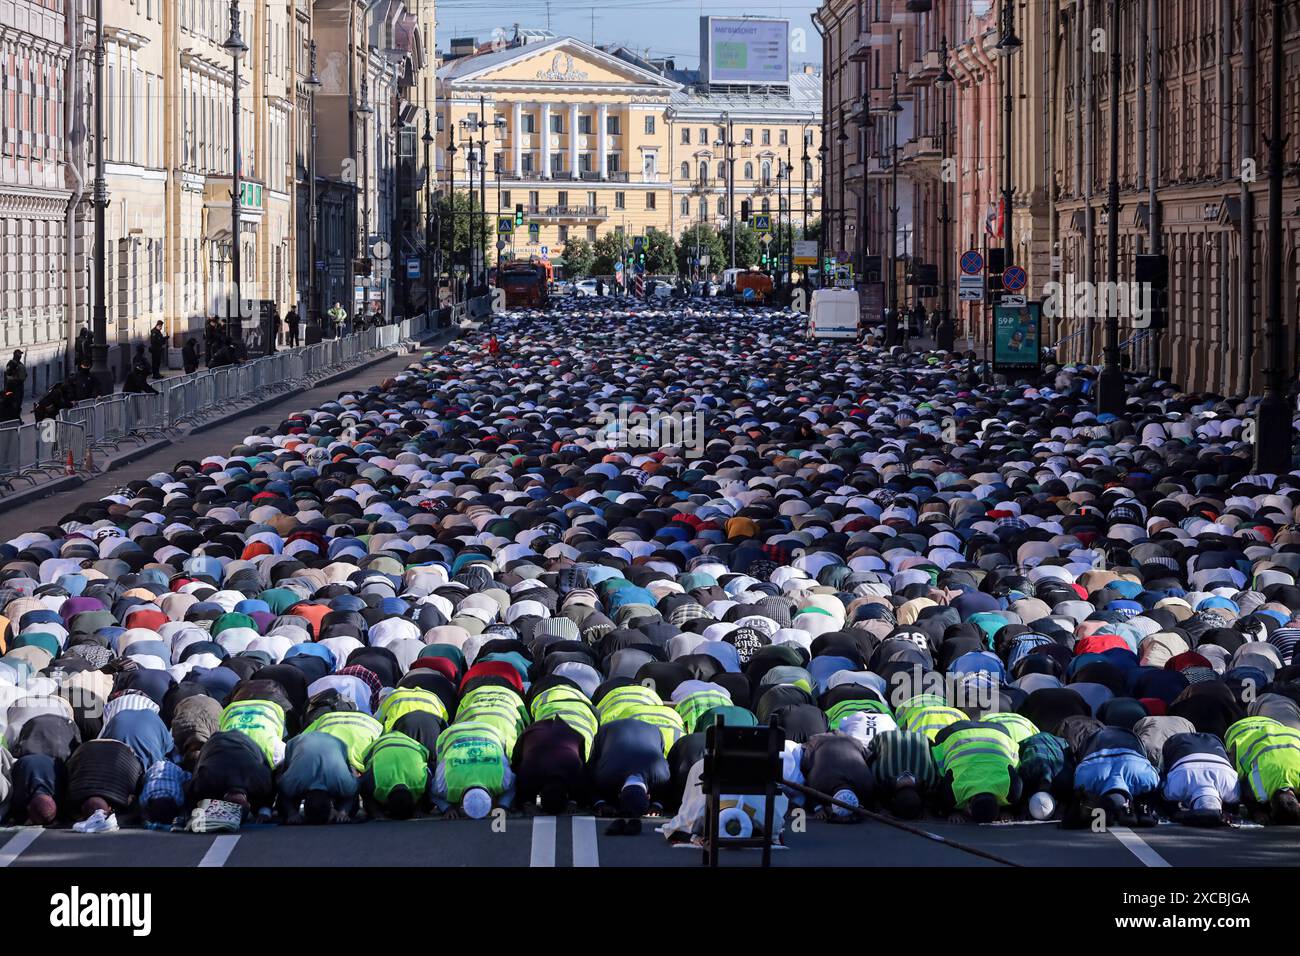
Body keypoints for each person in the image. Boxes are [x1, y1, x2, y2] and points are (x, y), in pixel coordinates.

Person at [932, 719, 1022, 823]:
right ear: (969, 808)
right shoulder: (953, 793)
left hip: (997, 731)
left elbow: (1018, 770)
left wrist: (1007, 810)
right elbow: (939, 795)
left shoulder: (1012, 792)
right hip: (954, 732)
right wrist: (953, 812)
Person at [433, 720, 515, 819]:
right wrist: (446, 808)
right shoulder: (445, 786)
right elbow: (431, 791)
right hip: (459, 733)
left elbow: (513, 785)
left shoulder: (501, 781)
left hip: (488, 732)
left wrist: (503, 806)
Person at [276, 728, 358, 824]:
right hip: (331, 741)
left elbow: (281, 788)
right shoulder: (343, 783)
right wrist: (344, 811)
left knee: (285, 799)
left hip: (328, 742)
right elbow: (281, 788)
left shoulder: (293, 783)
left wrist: (291, 813)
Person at [798, 730, 875, 822]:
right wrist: (818, 808)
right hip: (824, 741)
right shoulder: (819, 782)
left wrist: (818, 808)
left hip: (837, 739)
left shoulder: (866, 784)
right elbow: (808, 787)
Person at [361, 731, 431, 820]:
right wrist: (374, 811)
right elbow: (363, 788)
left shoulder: (422, 782)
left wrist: (375, 812)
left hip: (411, 745)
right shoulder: (375, 782)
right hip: (411, 744)